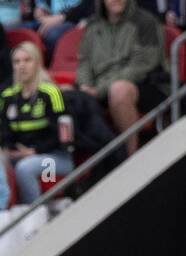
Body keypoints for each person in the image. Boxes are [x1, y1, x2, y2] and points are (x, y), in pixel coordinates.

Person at [76, 0, 165, 155]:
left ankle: (129, 157)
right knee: (63, 94)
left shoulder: (146, 22)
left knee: (118, 90)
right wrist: (84, 86)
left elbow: (143, 64)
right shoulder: (92, 25)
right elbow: (84, 62)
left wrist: (99, 90)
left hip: (146, 84)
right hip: (99, 86)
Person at [0, 41, 72, 208]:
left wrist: (34, 151)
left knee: (25, 168)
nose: (21, 66)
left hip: (55, 159)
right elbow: (4, 131)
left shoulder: (51, 93)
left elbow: (64, 137)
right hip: (18, 155)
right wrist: (7, 149)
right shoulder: (7, 96)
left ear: (38, 63)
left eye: (27, 60)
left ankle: (34, 215)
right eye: (17, 62)